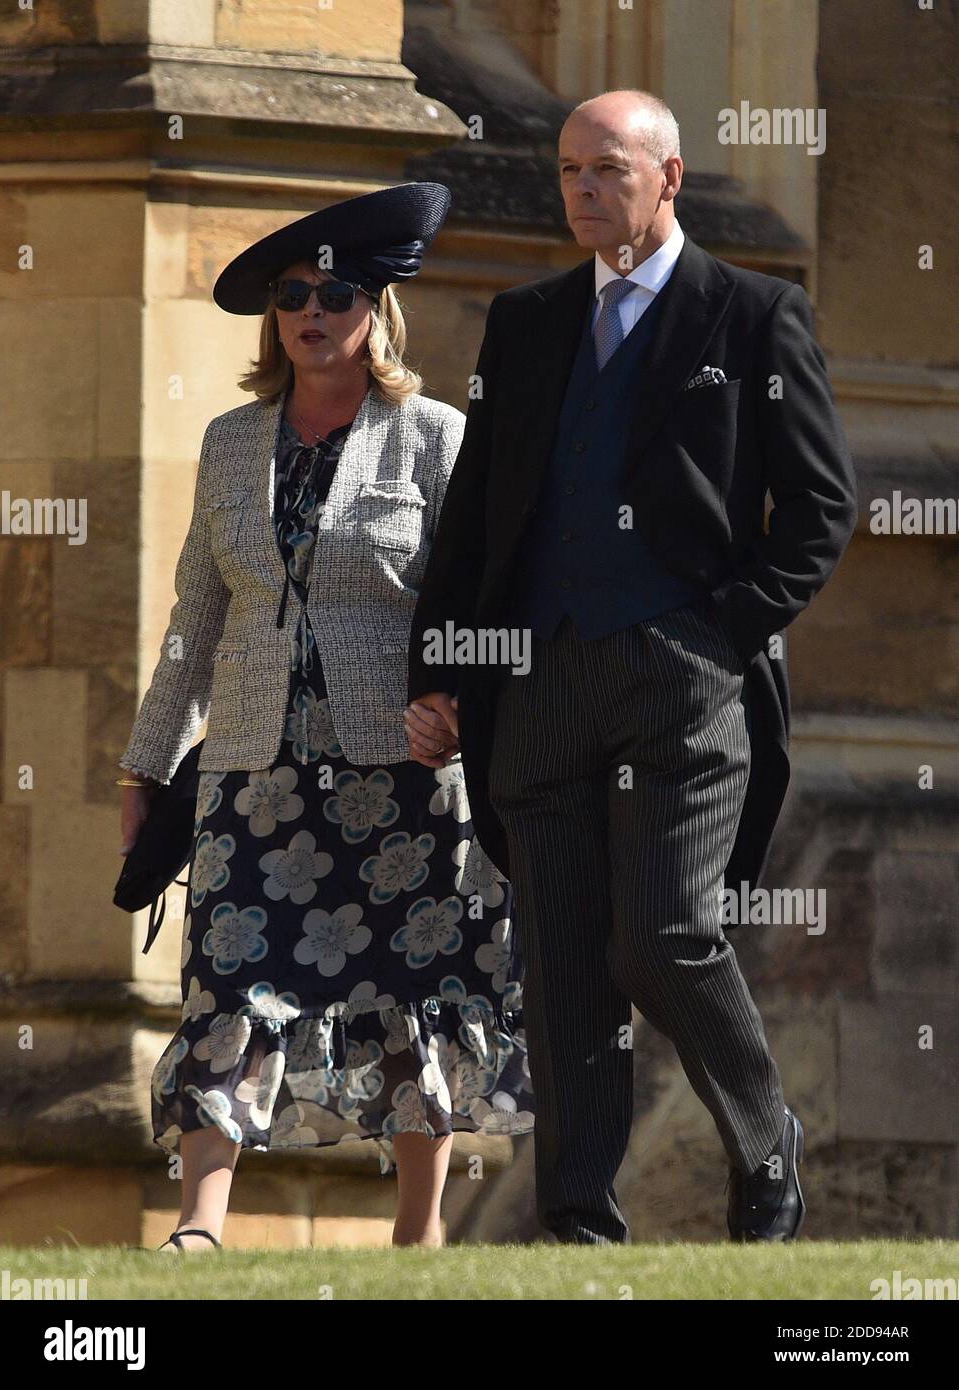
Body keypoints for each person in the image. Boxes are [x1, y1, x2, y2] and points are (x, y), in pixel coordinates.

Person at [404, 93, 857, 1245]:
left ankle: (763, 1137)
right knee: (558, 966)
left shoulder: (754, 315)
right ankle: (575, 1223)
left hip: (680, 680)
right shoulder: (526, 321)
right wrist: (441, 663)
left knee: (660, 935)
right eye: (565, 173)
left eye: (605, 169)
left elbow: (817, 510)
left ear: (669, 177)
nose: (581, 192)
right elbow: (474, 518)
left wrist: (718, 632)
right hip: (536, 680)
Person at [117, 182, 533, 1253]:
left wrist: (451, 702)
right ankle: (200, 1223)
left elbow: (482, 600)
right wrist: (145, 767)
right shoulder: (226, 443)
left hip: (398, 769)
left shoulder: (434, 438)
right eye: (292, 293)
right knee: (228, 978)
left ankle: (415, 1229)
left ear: (374, 309)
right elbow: (190, 624)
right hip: (252, 770)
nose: (310, 310)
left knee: (412, 990)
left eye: (335, 292)